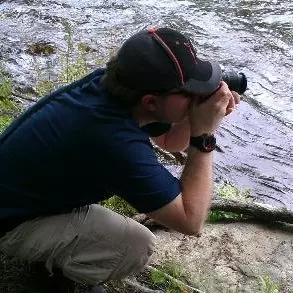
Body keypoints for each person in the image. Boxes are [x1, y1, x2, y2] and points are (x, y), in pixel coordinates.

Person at [0, 27, 240, 292]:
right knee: (135, 246)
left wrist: (194, 118)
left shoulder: (117, 89)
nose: (199, 97)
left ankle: (57, 253)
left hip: (27, 196)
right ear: (150, 101)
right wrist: (204, 135)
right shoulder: (113, 139)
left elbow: (170, 142)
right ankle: (61, 275)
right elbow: (190, 221)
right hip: (12, 222)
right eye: (190, 93)